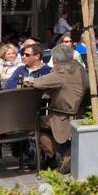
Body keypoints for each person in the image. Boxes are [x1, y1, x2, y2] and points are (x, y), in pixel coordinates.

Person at [33, 43, 89, 173]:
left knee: (31, 124)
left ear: (55, 59)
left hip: (63, 115)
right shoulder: (79, 68)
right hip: (79, 112)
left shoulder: (61, 72)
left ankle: (64, 150)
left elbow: (38, 83)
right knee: (42, 123)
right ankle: (58, 155)